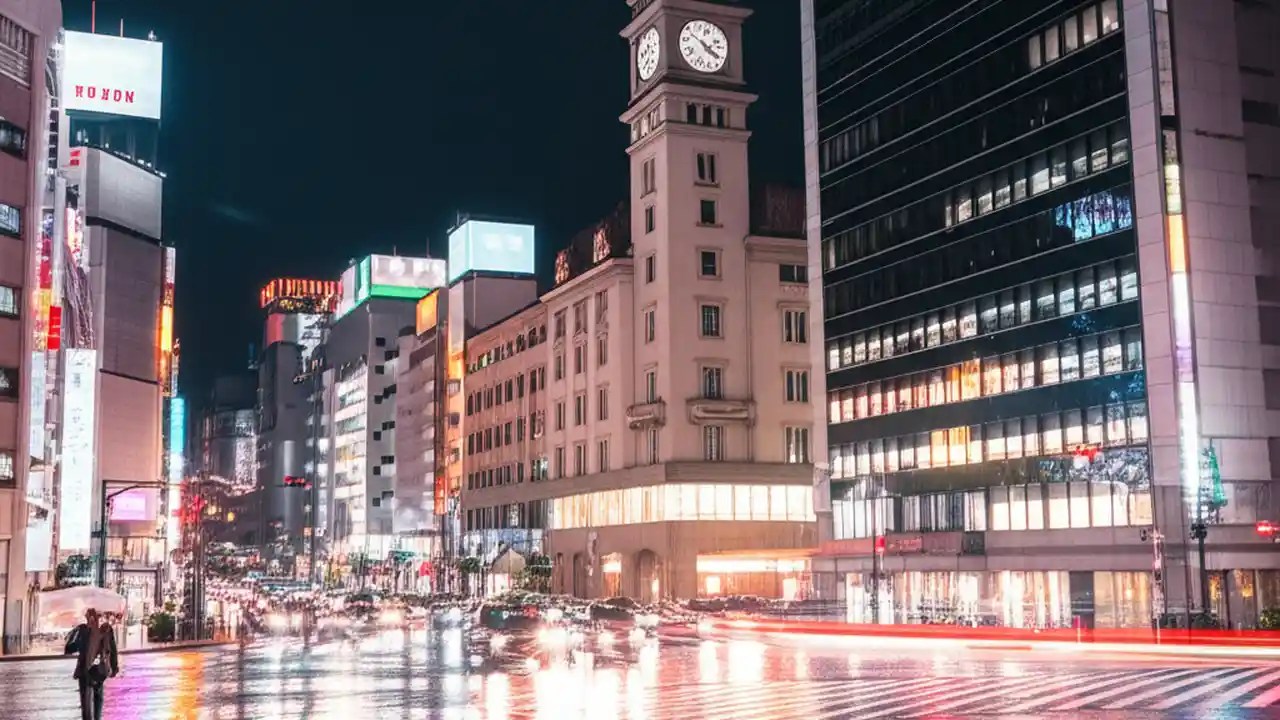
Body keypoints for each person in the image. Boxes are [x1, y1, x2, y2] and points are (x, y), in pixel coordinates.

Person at [64, 607, 119, 720]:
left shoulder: (85, 630)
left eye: (90, 615)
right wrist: (114, 667)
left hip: (88, 671)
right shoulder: (105, 629)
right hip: (98, 670)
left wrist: (76, 633)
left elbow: (69, 648)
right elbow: (113, 650)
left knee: (88, 704)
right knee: (96, 701)